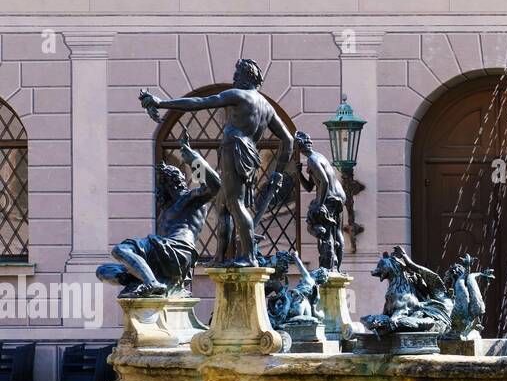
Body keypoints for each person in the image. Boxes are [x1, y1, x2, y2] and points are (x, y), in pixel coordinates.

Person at [140, 58, 294, 266]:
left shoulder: (239, 95)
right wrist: (279, 171)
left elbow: (200, 103)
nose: (233, 78)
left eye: (237, 74)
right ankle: (220, 257)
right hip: (248, 153)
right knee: (224, 207)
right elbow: (288, 139)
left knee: (235, 204)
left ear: (247, 77)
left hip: (235, 148)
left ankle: (248, 257)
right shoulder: (266, 106)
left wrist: (161, 103)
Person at [96, 130, 220, 296]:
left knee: (121, 250)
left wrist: (193, 159)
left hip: (177, 250)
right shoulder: (168, 210)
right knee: (103, 271)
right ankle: (143, 280)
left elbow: (213, 186)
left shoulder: (191, 200)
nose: (173, 185)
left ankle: (151, 283)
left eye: (170, 181)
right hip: (162, 254)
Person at [296, 130, 346, 271]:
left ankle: (329, 268)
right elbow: (310, 187)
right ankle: (335, 268)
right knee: (336, 233)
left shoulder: (312, 160)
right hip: (337, 196)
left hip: (330, 197)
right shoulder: (318, 157)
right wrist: (299, 173)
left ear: (299, 148)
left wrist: (319, 204)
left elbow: (324, 183)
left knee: (323, 232)